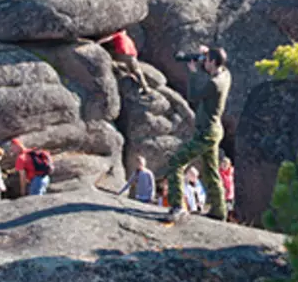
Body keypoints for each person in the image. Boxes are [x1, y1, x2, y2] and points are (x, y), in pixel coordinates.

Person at [165, 46, 231, 222]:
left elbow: (193, 96)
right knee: (211, 171)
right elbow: (215, 66)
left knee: (176, 163)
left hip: (206, 133)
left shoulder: (214, 84)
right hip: (214, 129)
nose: (204, 62)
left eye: (207, 60)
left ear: (213, 62)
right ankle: (219, 211)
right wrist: (206, 54)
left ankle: (177, 206)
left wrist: (193, 72)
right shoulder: (225, 74)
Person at [96, 28, 152, 95]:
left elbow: (109, 38)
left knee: (109, 57)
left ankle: (116, 67)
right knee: (136, 71)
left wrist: (98, 42)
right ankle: (145, 87)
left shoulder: (119, 34)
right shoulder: (128, 39)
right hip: (132, 56)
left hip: (123, 54)